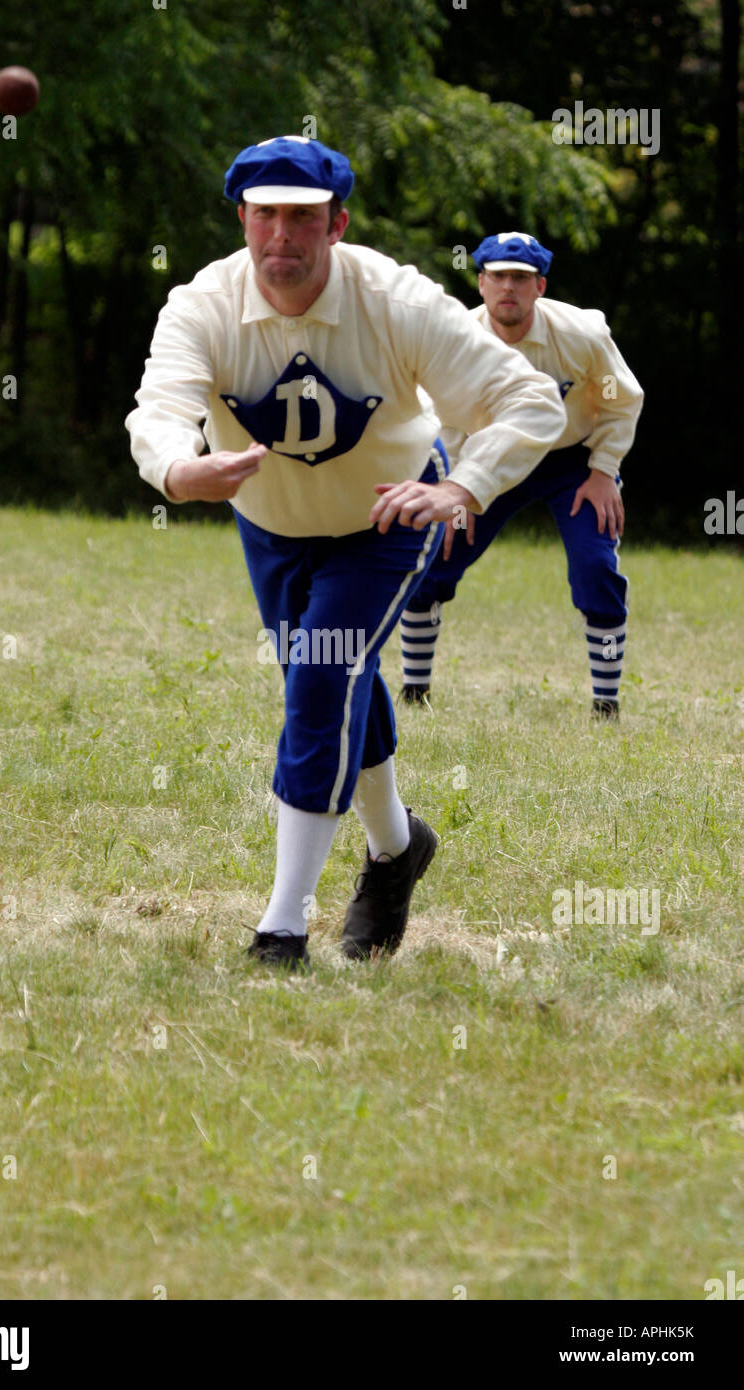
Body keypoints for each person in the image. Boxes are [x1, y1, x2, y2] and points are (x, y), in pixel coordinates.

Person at [126, 139, 566, 970]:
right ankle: (398, 851)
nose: (281, 236)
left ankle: (281, 928)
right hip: (272, 525)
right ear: (242, 220)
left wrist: (462, 489)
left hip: (390, 517)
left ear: (338, 225)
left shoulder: (396, 300)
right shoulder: (202, 305)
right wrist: (182, 471)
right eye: (265, 215)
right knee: (332, 676)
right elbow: (160, 406)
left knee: (323, 678)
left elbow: (528, 398)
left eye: (303, 217)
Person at [399, 232, 644, 719]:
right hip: (487, 460)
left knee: (596, 567)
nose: (508, 286)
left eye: (521, 277)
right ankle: (415, 691)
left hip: (572, 461)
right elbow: (441, 423)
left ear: (541, 286)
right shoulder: (456, 339)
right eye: (498, 276)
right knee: (431, 557)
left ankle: (606, 704)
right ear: (481, 283)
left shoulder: (582, 336)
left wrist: (603, 470)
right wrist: (447, 490)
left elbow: (622, 399)